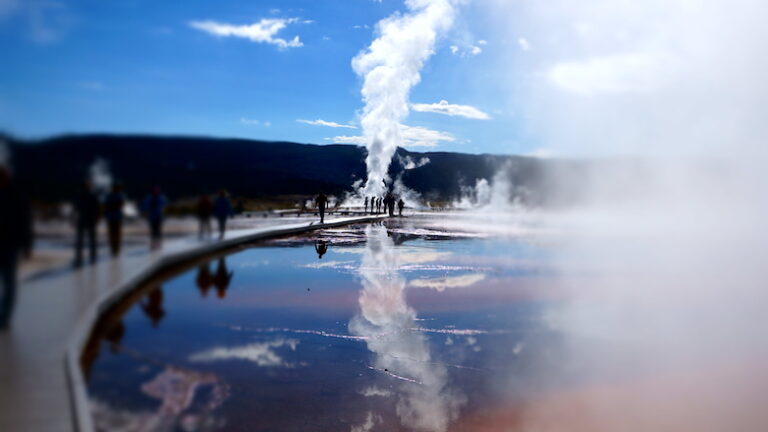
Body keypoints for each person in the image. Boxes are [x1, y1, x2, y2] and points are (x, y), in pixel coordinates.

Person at [0, 166, 32, 330]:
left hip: (10, 244)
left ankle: (4, 318)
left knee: (9, 281)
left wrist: (27, 245)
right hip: (8, 244)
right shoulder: (17, 195)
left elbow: (25, 222)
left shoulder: (17, 196)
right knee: (8, 281)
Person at [74, 180, 100, 266]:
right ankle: (92, 257)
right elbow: (97, 209)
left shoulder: (79, 196)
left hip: (82, 219)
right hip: (90, 220)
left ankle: (79, 259)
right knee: (91, 240)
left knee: (80, 240)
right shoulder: (93, 196)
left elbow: (76, 208)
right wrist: (97, 218)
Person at [104, 182, 126, 257]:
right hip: (116, 217)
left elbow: (106, 206)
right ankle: (116, 249)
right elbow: (121, 205)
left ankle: (114, 249)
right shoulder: (120, 195)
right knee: (116, 234)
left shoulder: (109, 196)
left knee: (113, 234)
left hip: (112, 217)